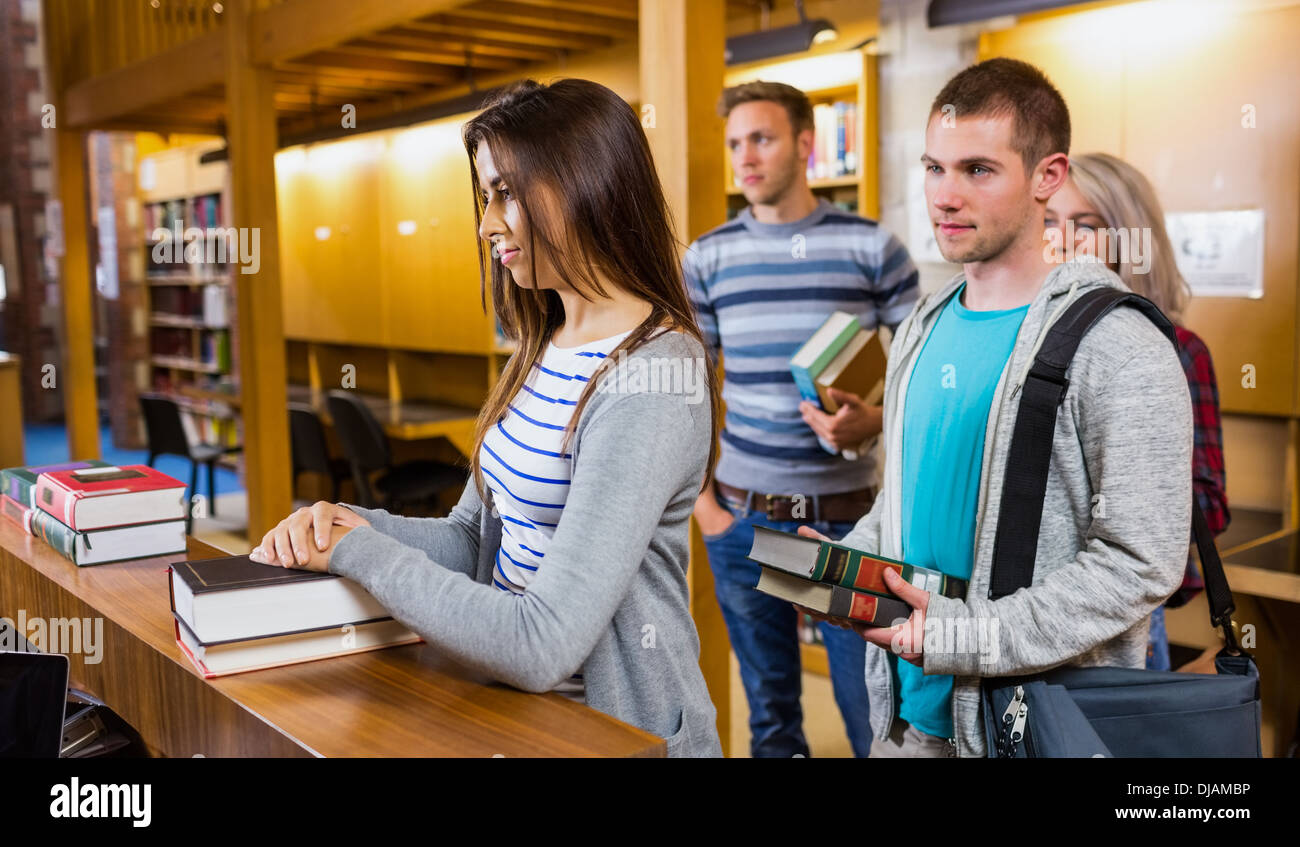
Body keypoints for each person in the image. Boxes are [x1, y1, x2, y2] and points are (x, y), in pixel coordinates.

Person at [249, 78, 724, 757]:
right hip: (516, 719)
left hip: (613, 734)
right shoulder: (542, 345)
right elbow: (471, 539)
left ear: (583, 183)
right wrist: (348, 524)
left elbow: (543, 642)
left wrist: (360, 552)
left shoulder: (652, 375)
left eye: (505, 192)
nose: (486, 224)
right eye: (485, 196)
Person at [803, 58, 1192, 757]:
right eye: (934, 168)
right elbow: (906, 497)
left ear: (1048, 176)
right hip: (904, 721)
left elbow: (1140, 563)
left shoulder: (1119, 343)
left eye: (978, 170)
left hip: (1035, 731)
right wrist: (851, 563)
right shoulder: (921, 325)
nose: (945, 196)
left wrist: (964, 636)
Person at [684, 80, 920, 757]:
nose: (745, 156)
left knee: (872, 716)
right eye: (735, 142)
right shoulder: (707, 256)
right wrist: (707, 511)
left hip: (845, 525)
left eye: (761, 138)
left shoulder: (872, 247)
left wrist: (875, 421)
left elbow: (928, 376)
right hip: (743, 521)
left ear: (806, 145)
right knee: (771, 721)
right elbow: (685, 393)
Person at [1045, 151, 1230, 670]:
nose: (1062, 240)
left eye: (1086, 226)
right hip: (1020, 603)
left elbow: (1211, 504)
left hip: (1122, 615)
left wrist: (1119, 498)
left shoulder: (1175, 350)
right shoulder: (1018, 339)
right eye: (1048, 221)